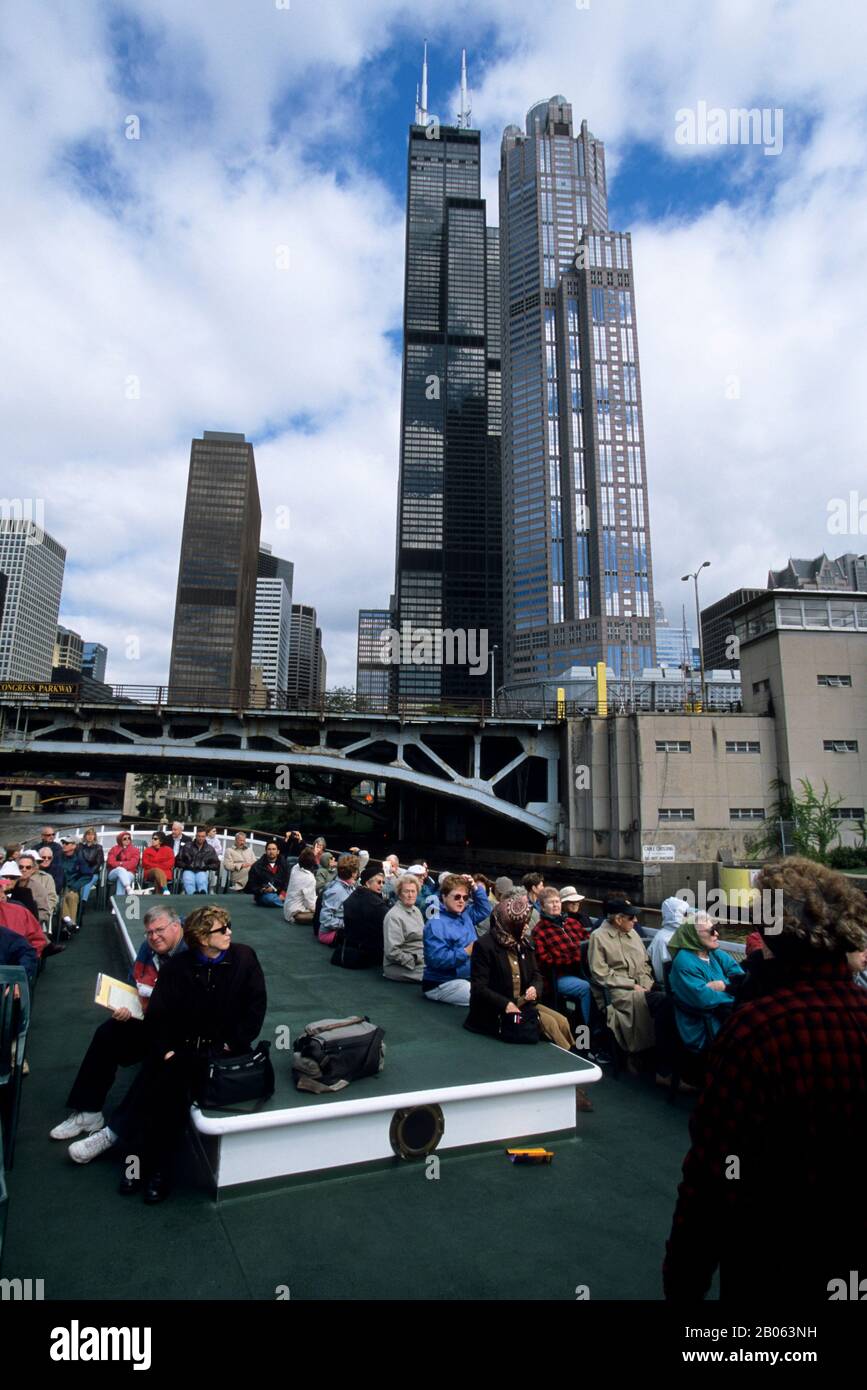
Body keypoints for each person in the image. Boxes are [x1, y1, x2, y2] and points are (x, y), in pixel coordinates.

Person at [664, 856, 867, 1301]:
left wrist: (684, 1281)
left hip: (774, 1256)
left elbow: (712, 1175)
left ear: (776, 934)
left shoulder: (757, 1029)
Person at [115, 904, 266, 1203]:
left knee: (169, 1093)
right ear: (201, 937)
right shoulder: (177, 967)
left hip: (222, 1052)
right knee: (154, 1087)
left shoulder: (245, 958)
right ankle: (138, 1163)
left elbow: (255, 1009)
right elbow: (159, 1015)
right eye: (222, 929)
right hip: (182, 1048)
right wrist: (168, 1050)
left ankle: (158, 1169)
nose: (229, 933)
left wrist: (229, 1045)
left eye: (228, 926)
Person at [50, 907, 188, 1161]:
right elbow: (132, 985)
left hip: (177, 1031)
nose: (154, 937)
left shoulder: (190, 955)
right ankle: (89, 1112)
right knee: (108, 1033)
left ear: (176, 926)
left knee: (159, 1062)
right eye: (149, 932)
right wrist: (124, 1007)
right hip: (148, 1018)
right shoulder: (149, 949)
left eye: (159, 930)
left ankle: (113, 1132)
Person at [586, 896, 665, 1062]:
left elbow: (644, 963)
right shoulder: (598, 937)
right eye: (631, 917)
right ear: (618, 919)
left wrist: (646, 983)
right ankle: (648, 1057)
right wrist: (632, 985)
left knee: (670, 998)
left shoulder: (633, 933)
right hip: (617, 990)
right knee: (662, 1003)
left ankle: (656, 1055)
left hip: (643, 983)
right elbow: (600, 973)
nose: (635, 920)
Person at [667, 917, 745, 1051]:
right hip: (704, 1025)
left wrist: (722, 986)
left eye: (716, 929)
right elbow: (703, 999)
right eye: (711, 931)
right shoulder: (684, 962)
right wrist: (732, 989)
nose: (717, 934)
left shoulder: (715, 953)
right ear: (693, 935)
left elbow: (740, 976)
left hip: (725, 1014)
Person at [422, 874, 490, 1005]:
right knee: (483, 999)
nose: (462, 901)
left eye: (465, 897)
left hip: (466, 976)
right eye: (457, 897)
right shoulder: (435, 923)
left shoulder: (465, 914)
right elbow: (437, 959)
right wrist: (466, 952)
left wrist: (475, 888)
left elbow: (484, 909)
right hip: (441, 983)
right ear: (444, 896)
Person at [532, 886, 593, 1032]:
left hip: (582, 970)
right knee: (586, 988)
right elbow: (546, 960)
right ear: (542, 906)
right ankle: (588, 1030)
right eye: (551, 902)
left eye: (557, 901)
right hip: (557, 977)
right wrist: (575, 956)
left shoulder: (572, 923)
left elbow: (588, 942)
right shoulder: (539, 931)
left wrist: (579, 955)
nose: (555, 905)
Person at [339, 862, 389, 967]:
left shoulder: (355, 894)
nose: (382, 885)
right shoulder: (376, 903)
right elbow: (389, 920)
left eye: (383, 882)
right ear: (367, 883)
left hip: (350, 946)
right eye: (379, 882)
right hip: (368, 952)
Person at [0, 863, 49, 958]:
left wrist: (27, 958)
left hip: (13, 962)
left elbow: (35, 938)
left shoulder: (19, 908)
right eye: (5, 877)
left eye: (12, 878)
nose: (8, 880)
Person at [383, 874, 425, 982]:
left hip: (422, 959)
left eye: (413, 891)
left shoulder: (416, 911)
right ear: (399, 894)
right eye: (406, 891)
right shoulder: (394, 916)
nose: (410, 895)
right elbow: (392, 952)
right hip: (403, 965)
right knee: (439, 976)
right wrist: (416, 959)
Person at [648, 895, 693, 984]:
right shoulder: (664, 939)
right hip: (676, 985)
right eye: (685, 914)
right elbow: (661, 974)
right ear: (675, 915)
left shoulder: (680, 934)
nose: (689, 917)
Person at [318, 854, 359, 945]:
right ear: (352, 873)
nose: (357, 874)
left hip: (341, 928)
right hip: (329, 934)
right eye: (356, 871)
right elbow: (325, 918)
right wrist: (346, 924)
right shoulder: (337, 891)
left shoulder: (350, 886)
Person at [16, 850, 58, 929]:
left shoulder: (41, 884)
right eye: (20, 867)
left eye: (28, 867)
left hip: (31, 925)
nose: (24, 869)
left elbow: (46, 906)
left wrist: (30, 922)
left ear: (32, 868)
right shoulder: (10, 882)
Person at [246, 839, 289, 907]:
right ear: (266, 851)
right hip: (265, 894)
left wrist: (283, 893)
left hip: (282, 892)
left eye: (274, 849)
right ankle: (287, 904)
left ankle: (282, 901)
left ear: (278, 851)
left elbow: (287, 880)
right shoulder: (257, 866)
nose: (271, 851)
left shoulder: (284, 864)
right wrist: (262, 890)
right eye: (269, 849)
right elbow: (251, 886)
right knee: (269, 899)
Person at [176, 828, 219, 895]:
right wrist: (185, 866)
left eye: (202, 836)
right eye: (199, 836)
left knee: (202, 881)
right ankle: (193, 894)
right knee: (189, 881)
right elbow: (178, 860)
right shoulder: (187, 846)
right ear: (196, 836)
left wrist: (206, 867)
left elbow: (216, 864)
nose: (200, 838)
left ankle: (202, 895)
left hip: (202, 870)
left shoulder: (209, 849)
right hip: (188, 869)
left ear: (205, 837)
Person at [284, 847, 317, 924]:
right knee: (320, 914)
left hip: (287, 910)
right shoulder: (310, 879)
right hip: (296, 915)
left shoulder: (295, 868)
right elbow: (311, 905)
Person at [107, 832, 140, 898]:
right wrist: (122, 864)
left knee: (120, 879)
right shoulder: (114, 849)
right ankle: (128, 887)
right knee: (120, 869)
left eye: (129, 838)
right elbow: (110, 862)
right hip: (114, 873)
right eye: (125, 839)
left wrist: (119, 864)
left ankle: (117, 905)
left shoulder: (135, 850)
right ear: (120, 840)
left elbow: (133, 863)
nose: (127, 840)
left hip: (130, 873)